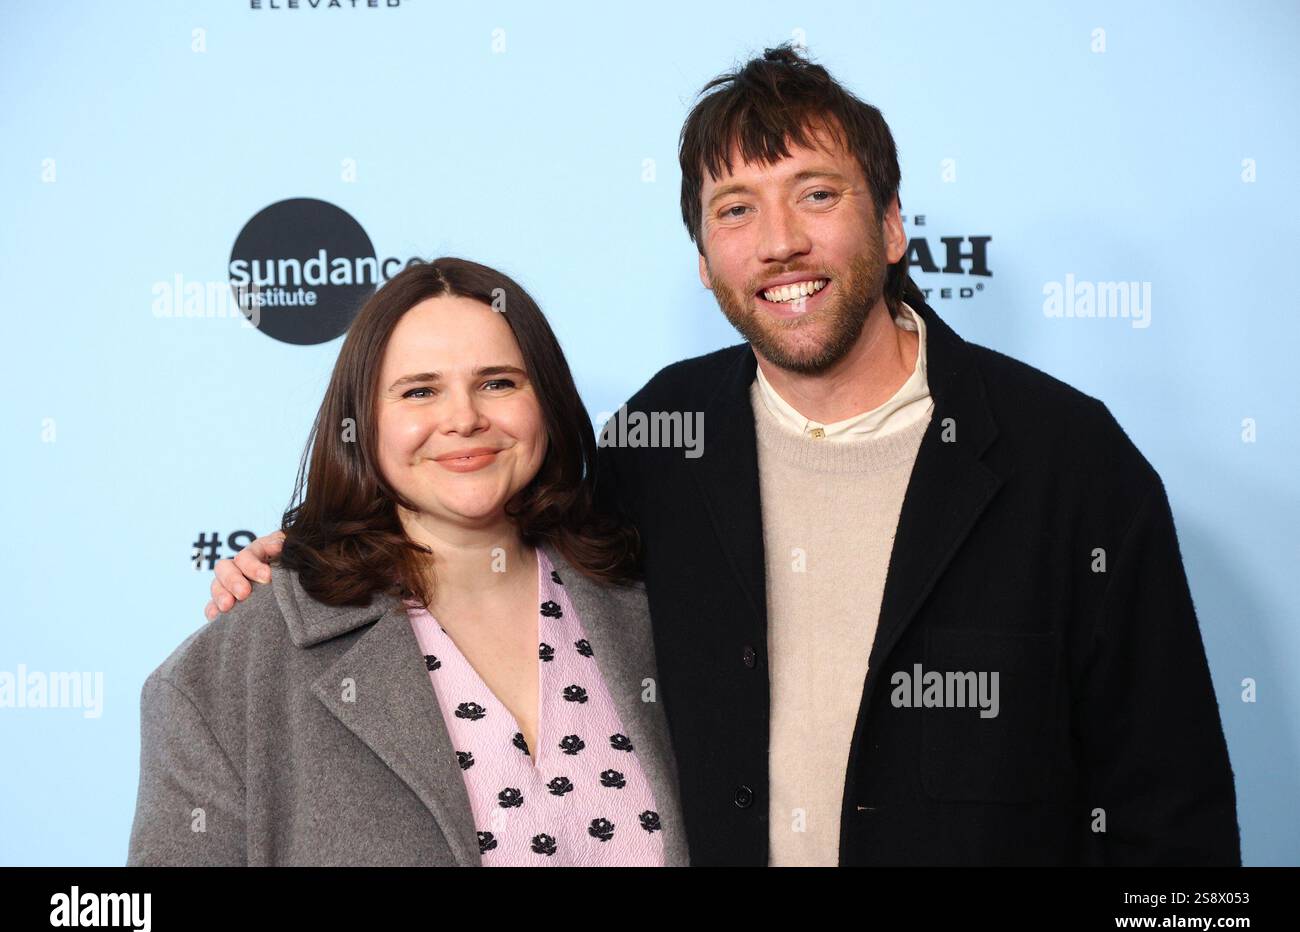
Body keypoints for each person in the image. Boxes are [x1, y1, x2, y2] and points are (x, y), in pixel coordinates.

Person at [205, 45, 1241, 866]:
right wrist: (305, 548)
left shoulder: (1070, 460)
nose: (779, 241)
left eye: (816, 194)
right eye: (735, 211)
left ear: (890, 226)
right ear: (704, 262)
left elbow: (1170, 811)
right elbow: (487, 496)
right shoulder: (666, 437)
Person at [129, 258, 689, 866]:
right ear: (362, 424)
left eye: (498, 382)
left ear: (547, 402)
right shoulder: (226, 677)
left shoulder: (660, 601)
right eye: (420, 391)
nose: (464, 418)